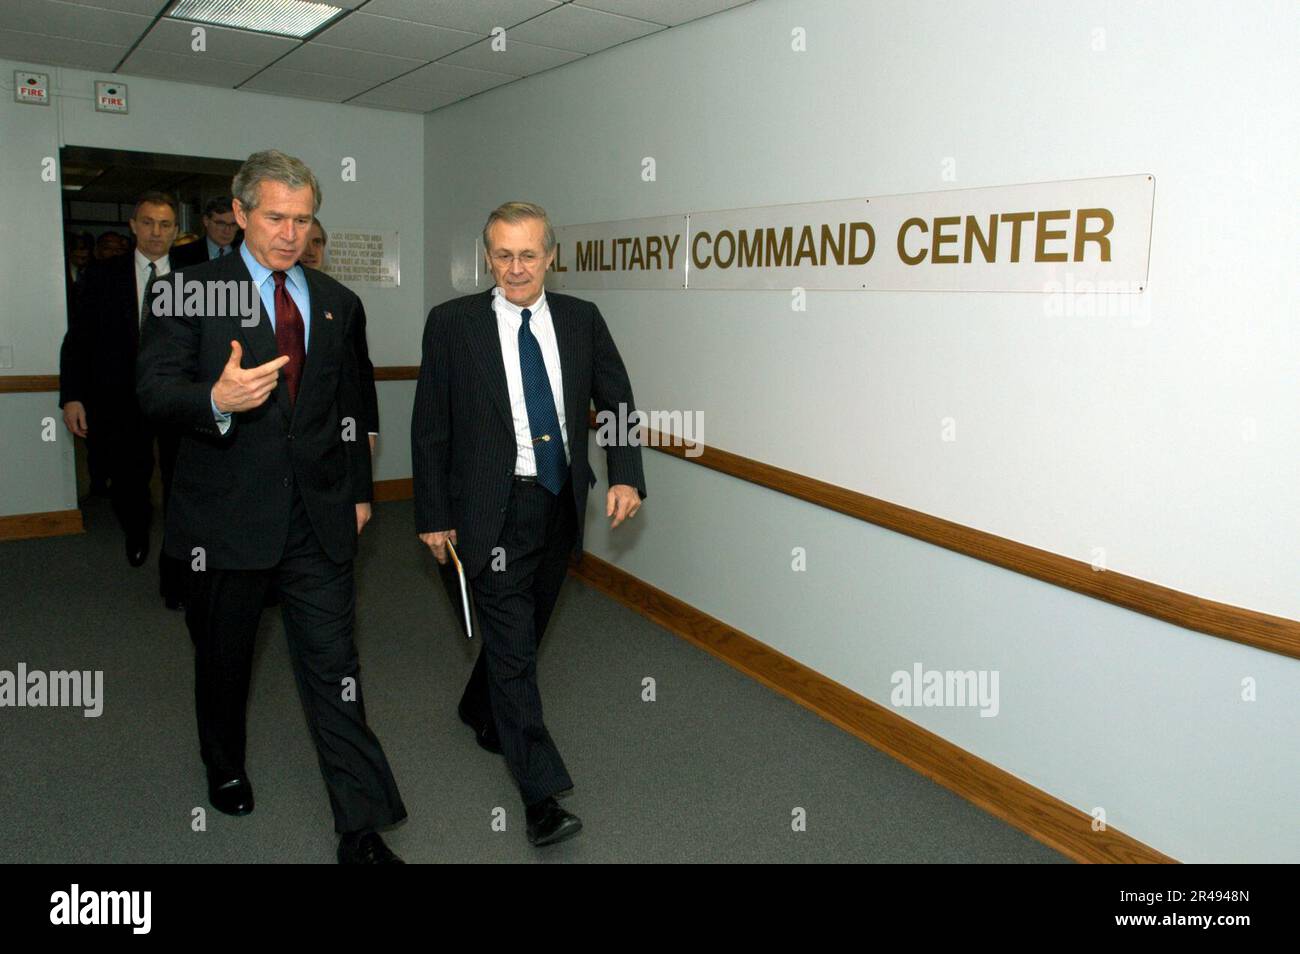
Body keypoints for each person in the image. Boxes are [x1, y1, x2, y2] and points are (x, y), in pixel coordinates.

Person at [137, 150, 406, 864]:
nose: (291, 232)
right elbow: (152, 393)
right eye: (276, 217)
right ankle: (223, 762)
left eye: (304, 218)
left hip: (317, 522)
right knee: (224, 662)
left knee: (335, 670)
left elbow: (349, 406)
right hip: (222, 526)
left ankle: (362, 827)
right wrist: (215, 401)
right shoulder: (186, 291)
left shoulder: (337, 303)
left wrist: (357, 494)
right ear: (242, 210)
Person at [411, 201, 646, 847]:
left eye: (529, 255)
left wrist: (626, 472)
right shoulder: (453, 324)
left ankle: (475, 706)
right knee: (515, 652)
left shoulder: (580, 320)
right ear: (488, 256)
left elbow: (616, 398)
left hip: (558, 503)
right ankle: (540, 795)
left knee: (531, 626)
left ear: (551, 256)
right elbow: (430, 424)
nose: (516, 268)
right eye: (504, 255)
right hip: (490, 510)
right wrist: (432, 513)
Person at [60, 192, 178, 571]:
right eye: (147, 222)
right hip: (121, 397)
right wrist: (73, 397)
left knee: (183, 478)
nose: (155, 232)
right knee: (130, 476)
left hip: (180, 397)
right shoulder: (101, 276)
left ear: (175, 231)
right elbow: (77, 340)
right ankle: (137, 533)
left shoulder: (198, 279)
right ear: (133, 226)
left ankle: (178, 556)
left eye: (164, 224)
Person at [300, 218, 379, 453]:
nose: (310, 251)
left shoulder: (344, 302)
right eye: (305, 242)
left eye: (317, 242)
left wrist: (368, 429)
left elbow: (361, 370)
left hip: (335, 427)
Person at [170, 195, 241, 268]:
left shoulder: (248, 251)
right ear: (206, 221)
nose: (227, 231)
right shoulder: (182, 255)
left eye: (233, 224)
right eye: (221, 224)